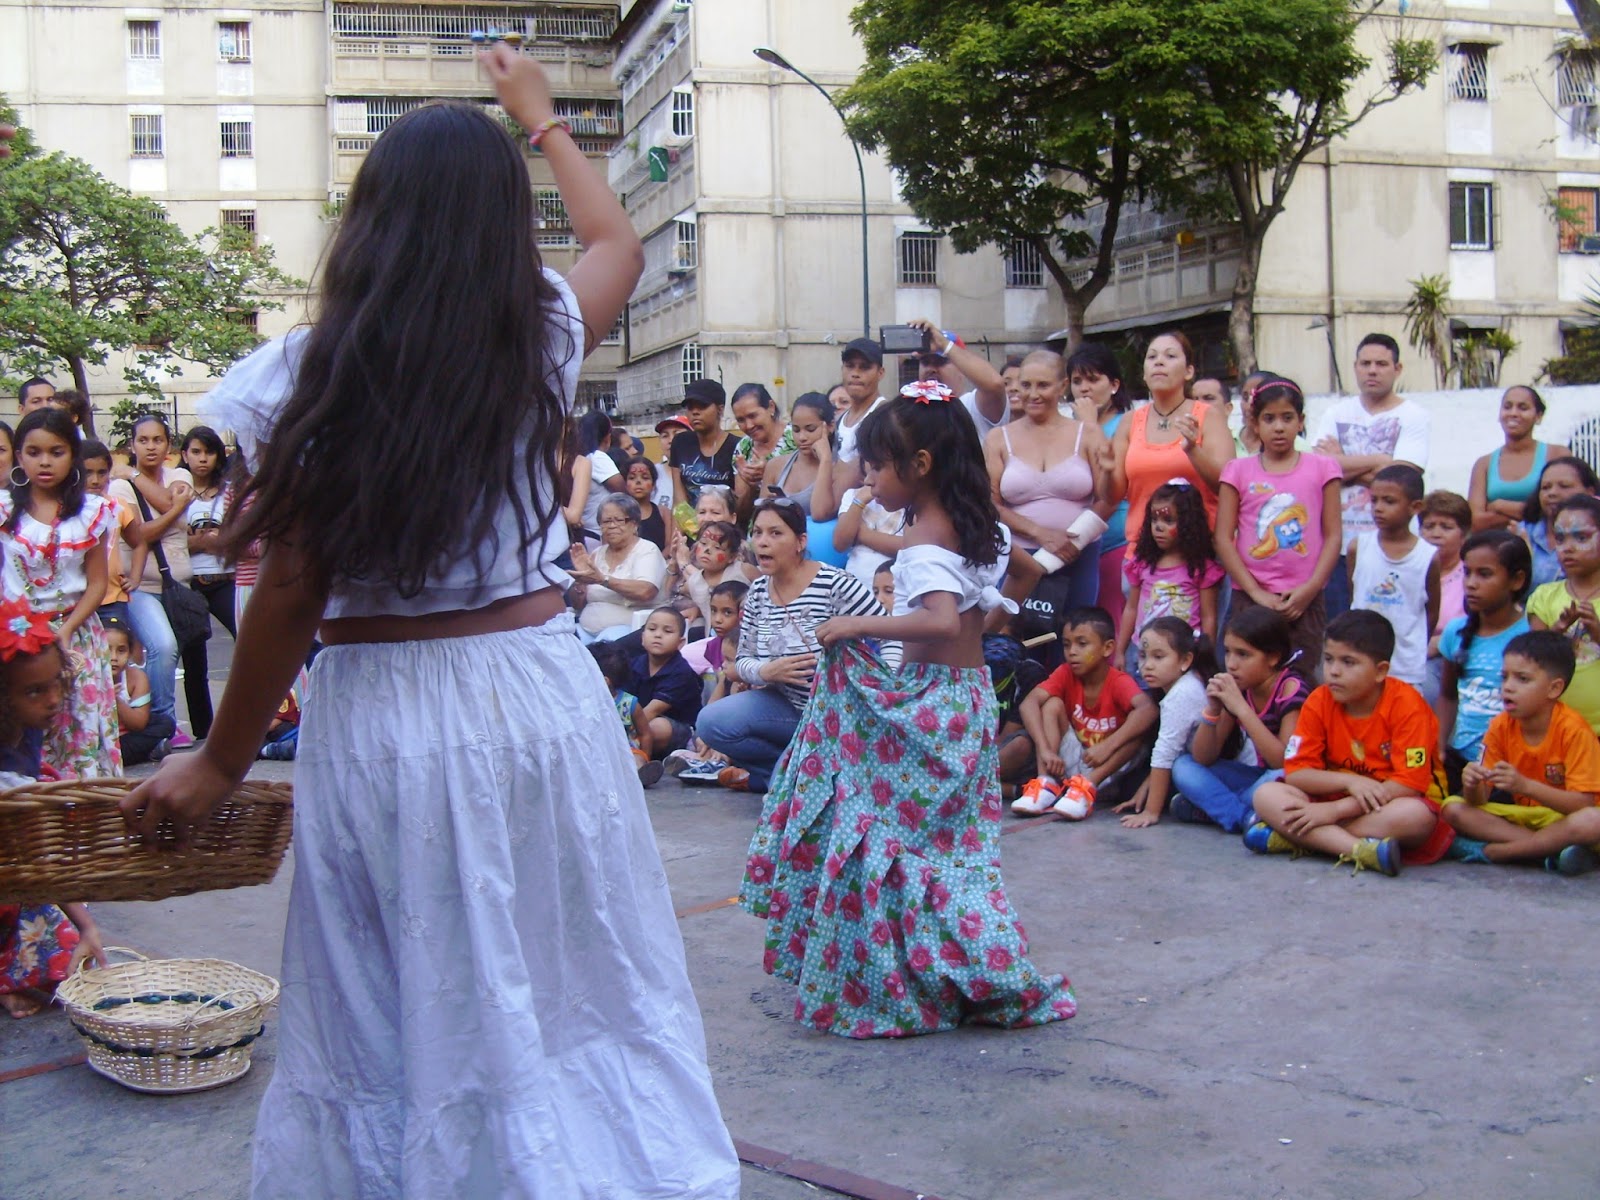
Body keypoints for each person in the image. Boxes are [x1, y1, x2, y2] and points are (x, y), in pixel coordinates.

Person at [125, 50, 740, 1197]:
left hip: (392, 714)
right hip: (539, 693)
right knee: (559, 969)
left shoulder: (306, 374)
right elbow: (620, 244)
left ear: (371, 224)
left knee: (393, 988)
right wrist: (545, 120)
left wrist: (218, 758)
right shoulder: (538, 336)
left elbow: (294, 593)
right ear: (500, 226)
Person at [741, 379, 1075, 1038]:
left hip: (932, 706)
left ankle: (916, 973)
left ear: (919, 466)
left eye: (875, 465)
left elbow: (942, 621)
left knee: (886, 832)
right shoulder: (973, 520)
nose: (867, 477)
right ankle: (960, 963)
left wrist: (855, 629)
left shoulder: (927, 532)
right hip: (968, 700)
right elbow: (1010, 590)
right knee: (948, 850)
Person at [695, 497, 890, 792]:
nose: (762, 542)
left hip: (836, 713)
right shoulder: (758, 591)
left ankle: (788, 774)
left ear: (800, 541)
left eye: (775, 533)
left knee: (786, 800)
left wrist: (889, 691)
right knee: (711, 722)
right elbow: (742, 661)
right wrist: (767, 672)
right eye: (757, 533)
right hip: (785, 706)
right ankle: (781, 766)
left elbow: (887, 632)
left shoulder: (835, 583)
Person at [1247, 610, 1454, 875]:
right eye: (1329, 659)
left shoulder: (1408, 706)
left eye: (1348, 662)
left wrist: (1333, 811)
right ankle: (1359, 850)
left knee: (1415, 816)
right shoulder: (1320, 700)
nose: (1333, 671)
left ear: (1380, 671)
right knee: (1266, 795)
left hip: (1388, 803)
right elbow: (1298, 773)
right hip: (1331, 798)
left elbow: (1409, 784)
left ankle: (1296, 837)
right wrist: (1349, 782)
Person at [0, 599, 108, 1019]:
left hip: (18, 874)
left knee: (61, 943)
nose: (52, 700)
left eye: (56, 685)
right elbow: (41, 861)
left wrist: (86, 925)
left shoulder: (24, 734)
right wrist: (82, 923)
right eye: (34, 691)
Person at [0, 408, 121, 778]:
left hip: (76, 632)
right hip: (18, 641)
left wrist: (66, 631)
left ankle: (84, 822)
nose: (45, 462)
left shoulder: (91, 512)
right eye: (33, 453)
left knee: (80, 731)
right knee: (23, 735)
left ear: (73, 455)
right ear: (19, 456)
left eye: (57, 451)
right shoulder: (5, 510)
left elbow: (98, 583)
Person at [1213, 375, 1342, 672]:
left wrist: (1309, 590)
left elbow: (1333, 535)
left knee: (1301, 679)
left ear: (1301, 421)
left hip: (1304, 600)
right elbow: (1223, 538)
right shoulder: (1237, 471)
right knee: (1248, 676)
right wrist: (1256, 593)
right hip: (1250, 597)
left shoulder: (1324, 468)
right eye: (1269, 418)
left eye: (1287, 417)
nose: (1279, 427)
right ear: (1255, 424)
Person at [1444, 631, 1600, 875]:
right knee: (1453, 808)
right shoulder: (1500, 725)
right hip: (1524, 819)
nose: (1508, 687)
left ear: (1554, 688)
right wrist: (1473, 784)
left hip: (1563, 819)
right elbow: (1479, 800)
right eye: (1504, 677)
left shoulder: (1574, 730)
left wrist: (1525, 786)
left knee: (1593, 820)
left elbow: (1583, 804)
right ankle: (1550, 852)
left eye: (1522, 679)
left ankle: (1496, 852)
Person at [1311, 334, 1431, 620]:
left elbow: (1404, 479)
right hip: (1336, 545)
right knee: (1340, 626)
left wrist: (1342, 463)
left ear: (1397, 369)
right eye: (1365, 363)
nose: (1372, 370)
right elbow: (1319, 469)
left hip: (1389, 545)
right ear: (1355, 367)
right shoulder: (1336, 412)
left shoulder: (1414, 416)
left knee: (1385, 626)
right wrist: (1380, 461)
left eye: (1381, 363)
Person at [986, 350, 1109, 623]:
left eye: (1043, 385)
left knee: (1075, 637)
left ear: (1062, 386)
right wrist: (1039, 533)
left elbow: (1107, 497)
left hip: (1078, 552)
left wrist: (1077, 540)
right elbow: (990, 504)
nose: (1032, 394)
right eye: (1026, 385)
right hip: (1018, 556)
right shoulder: (997, 439)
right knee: (1012, 641)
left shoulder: (1087, 433)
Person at [1170, 606, 1309, 833]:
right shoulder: (1243, 687)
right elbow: (1204, 757)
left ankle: (1215, 809)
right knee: (1184, 765)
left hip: (1284, 780)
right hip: (1255, 778)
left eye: (1243, 654)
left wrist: (1242, 709)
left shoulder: (1290, 688)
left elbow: (1284, 762)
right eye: (1227, 652)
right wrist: (1213, 710)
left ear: (1273, 657)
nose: (1231, 664)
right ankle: (1245, 817)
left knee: (1281, 777)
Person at [1010, 605, 1157, 818]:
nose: (1072, 652)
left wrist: (1107, 746)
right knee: (1052, 705)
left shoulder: (1118, 681)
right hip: (1075, 761)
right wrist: (1044, 749)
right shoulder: (1065, 673)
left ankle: (1086, 788)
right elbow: (1028, 703)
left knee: (1138, 729)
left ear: (1107, 648)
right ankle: (1046, 784)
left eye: (1082, 644)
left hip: (1107, 768)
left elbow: (1148, 709)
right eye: (1067, 644)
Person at [1107, 331, 1233, 554]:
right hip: (1143, 552)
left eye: (1170, 356)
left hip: (1199, 551)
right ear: (1144, 374)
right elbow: (1112, 496)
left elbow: (1227, 486)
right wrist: (1106, 469)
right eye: (1152, 357)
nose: (1159, 362)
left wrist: (1193, 450)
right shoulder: (1130, 421)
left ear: (1189, 371)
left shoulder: (1208, 416)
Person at [108, 413, 192, 746]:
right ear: (132, 445)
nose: (151, 446)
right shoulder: (118, 486)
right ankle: (164, 725)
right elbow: (140, 533)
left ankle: (170, 726)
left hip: (179, 587)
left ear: (169, 445)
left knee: (181, 657)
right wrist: (174, 512)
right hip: (139, 586)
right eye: (143, 440)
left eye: (158, 440)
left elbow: (167, 500)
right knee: (163, 646)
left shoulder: (179, 473)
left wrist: (132, 472)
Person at [1437, 531, 1531, 792]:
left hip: (1512, 766)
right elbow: (1448, 695)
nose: (1471, 583)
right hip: (1462, 760)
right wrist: (1440, 744)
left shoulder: (1530, 634)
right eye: (1467, 572)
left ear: (1517, 580)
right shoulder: (1456, 632)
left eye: (1485, 574)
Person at [1114, 617, 1215, 829]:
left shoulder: (1183, 692)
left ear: (1185, 660)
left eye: (1158, 657)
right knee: (1133, 786)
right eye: (1143, 656)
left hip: (1213, 769)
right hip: (1194, 761)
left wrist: (1151, 812)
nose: (1147, 666)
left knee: (1175, 772)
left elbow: (1166, 752)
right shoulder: (1182, 682)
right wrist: (1145, 788)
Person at [1348, 464, 1439, 688]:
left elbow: (1431, 611)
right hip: (1361, 661)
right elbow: (1356, 595)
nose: (1378, 508)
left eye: (1389, 501)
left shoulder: (1427, 557)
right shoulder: (1358, 547)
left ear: (1415, 507)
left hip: (1404, 668)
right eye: (1374, 500)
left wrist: (1415, 647)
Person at [1116, 480, 1223, 669]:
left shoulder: (1201, 569)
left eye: (1168, 520)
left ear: (1189, 523)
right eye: (1154, 520)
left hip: (1183, 658)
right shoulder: (1143, 564)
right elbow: (1131, 608)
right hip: (1143, 656)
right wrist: (1120, 651)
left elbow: (1209, 618)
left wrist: (1206, 659)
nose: (1158, 527)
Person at [177, 425, 238, 740]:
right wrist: (203, 541)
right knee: (194, 658)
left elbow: (237, 534)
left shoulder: (229, 491)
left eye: (209, 452)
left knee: (247, 641)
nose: (202, 459)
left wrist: (202, 539)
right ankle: (204, 732)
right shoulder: (176, 489)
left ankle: (255, 721)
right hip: (191, 583)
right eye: (196, 452)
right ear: (185, 455)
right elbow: (173, 540)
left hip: (225, 579)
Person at [1066, 343, 1134, 614]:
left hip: (1117, 542)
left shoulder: (1127, 424)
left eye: (1093, 380)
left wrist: (1090, 425)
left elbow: (1111, 478)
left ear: (1114, 385)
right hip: (1074, 549)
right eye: (1077, 381)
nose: (1084, 388)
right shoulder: (1067, 430)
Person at [1527, 494, 1600, 734]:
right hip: (1558, 729)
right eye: (1560, 538)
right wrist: (1557, 633)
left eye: (1581, 537)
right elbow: (1532, 662)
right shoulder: (1544, 596)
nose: (1568, 547)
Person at [1468, 385, 1570, 532]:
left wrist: (1500, 506)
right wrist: (1531, 512)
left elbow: (1562, 510)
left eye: (1523, 408)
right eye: (1507, 407)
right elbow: (1475, 522)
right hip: (1497, 550)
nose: (1513, 413)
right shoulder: (1484, 464)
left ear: (1538, 416)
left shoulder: (1556, 455)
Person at [763, 391, 848, 566]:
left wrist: (825, 460)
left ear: (830, 426)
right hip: (780, 561)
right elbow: (759, 518)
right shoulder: (776, 466)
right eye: (796, 430)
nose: (802, 437)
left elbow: (820, 513)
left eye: (810, 429)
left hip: (824, 565)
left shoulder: (842, 470)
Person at [569, 494, 667, 641]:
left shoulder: (647, 550)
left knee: (606, 645)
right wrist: (581, 581)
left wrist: (603, 580)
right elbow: (577, 605)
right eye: (606, 521)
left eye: (619, 520)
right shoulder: (597, 553)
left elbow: (646, 591)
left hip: (630, 631)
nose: (612, 526)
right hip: (586, 629)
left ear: (634, 524)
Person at [905, 318, 1009, 439]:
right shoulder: (911, 411)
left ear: (961, 368)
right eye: (925, 362)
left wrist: (944, 345)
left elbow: (995, 385)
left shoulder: (971, 405)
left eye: (940, 362)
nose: (931, 369)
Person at [81, 439, 144, 631]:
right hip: (78, 600)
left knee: (114, 656)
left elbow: (140, 543)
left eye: (102, 473)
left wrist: (135, 577)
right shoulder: (67, 511)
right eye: (87, 473)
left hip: (112, 600)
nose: (95, 480)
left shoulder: (117, 507)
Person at [1419, 489, 1471, 703]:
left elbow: (1480, 624)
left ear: (1464, 534)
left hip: (1456, 656)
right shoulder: (1411, 568)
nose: (1436, 533)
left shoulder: (1472, 572)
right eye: (1429, 526)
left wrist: (1438, 643)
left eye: (1446, 527)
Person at [628, 606, 702, 756]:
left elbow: (652, 710)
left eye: (667, 631)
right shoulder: (634, 664)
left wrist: (621, 733)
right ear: (642, 638)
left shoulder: (681, 671)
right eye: (652, 629)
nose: (658, 635)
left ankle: (640, 760)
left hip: (679, 729)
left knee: (655, 726)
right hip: (638, 724)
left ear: (681, 643)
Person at [589, 640, 663, 788]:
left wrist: (645, 756)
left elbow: (645, 733)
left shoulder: (629, 704)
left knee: (636, 759)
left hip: (626, 750)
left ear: (605, 681)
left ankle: (641, 772)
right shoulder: (585, 703)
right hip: (598, 750)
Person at [1518, 456, 1599, 589]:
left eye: (1564, 486)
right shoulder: (1521, 532)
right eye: (1545, 487)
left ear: (1590, 492)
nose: (1552, 493)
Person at [107, 615, 175, 765]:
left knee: (165, 723)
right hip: (103, 739)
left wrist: (115, 700)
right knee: (106, 750)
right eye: (106, 650)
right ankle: (151, 750)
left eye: (121, 650)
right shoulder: (89, 677)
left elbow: (138, 724)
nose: (113, 657)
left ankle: (143, 750)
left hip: (127, 735)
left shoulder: (136, 677)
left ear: (130, 653)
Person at [672, 519, 756, 630]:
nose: (707, 550)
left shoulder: (744, 570)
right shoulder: (693, 581)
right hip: (714, 640)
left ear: (732, 557)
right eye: (703, 543)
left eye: (717, 547)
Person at [669, 379, 738, 507]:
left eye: (702, 406)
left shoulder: (736, 447)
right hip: (689, 523)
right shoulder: (680, 443)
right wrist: (682, 526)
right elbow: (679, 499)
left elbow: (739, 502)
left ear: (720, 409)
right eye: (690, 407)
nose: (695, 412)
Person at [833, 339, 888, 493]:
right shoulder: (839, 419)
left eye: (865, 367)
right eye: (850, 366)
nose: (855, 374)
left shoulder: (886, 417)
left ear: (880, 373)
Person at [730, 384, 791, 521]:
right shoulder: (743, 448)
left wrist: (770, 473)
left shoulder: (797, 438)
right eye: (741, 420)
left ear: (771, 407)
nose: (749, 425)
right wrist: (750, 485)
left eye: (753, 416)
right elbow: (740, 512)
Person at [834, 481, 903, 591]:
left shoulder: (909, 501)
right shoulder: (853, 494)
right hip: (855, 587)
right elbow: (840, 543)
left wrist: (861, 533)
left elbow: (907, 547)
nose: (869, 478)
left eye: (878, 468)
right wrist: (859, 501)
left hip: (894, 591)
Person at [573, 409, 625, 542]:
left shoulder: (578, 457)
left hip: (587, 531)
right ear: (607, 436)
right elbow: (622, 489)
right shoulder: (596, 457)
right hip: (596, 533)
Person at [623, 455, 671, 549]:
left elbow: (669, 546)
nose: (638, 482)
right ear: (625, 484)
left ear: (653, 484)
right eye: (632, 478)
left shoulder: (664, 513)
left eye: (645, 478)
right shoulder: (618, 515)